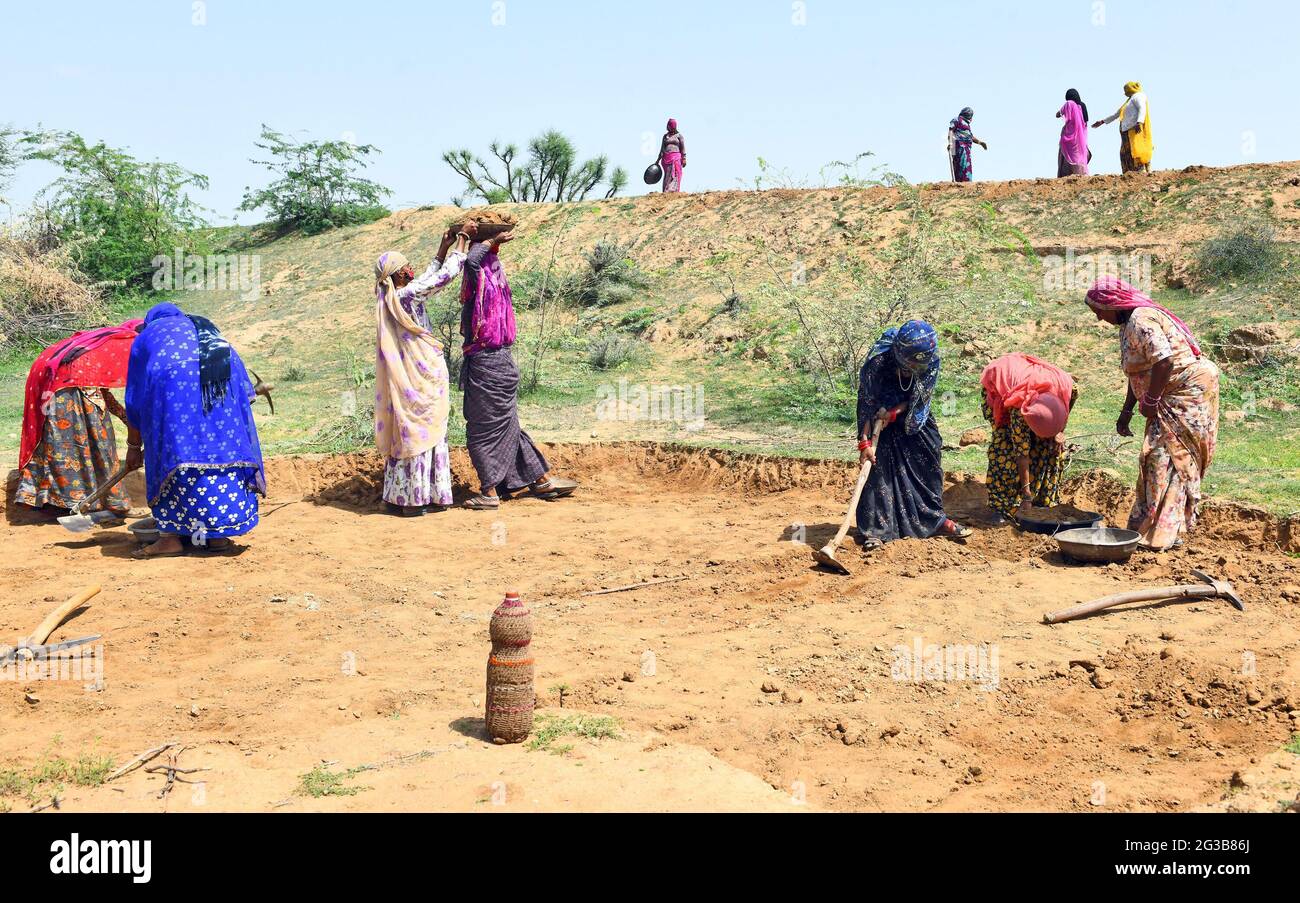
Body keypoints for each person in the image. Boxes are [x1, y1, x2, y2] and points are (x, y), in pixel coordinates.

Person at [1085, 277, 1219, 551]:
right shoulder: (1128, 324)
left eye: (1099, 310)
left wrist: (1152, 397)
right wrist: (1127, 411)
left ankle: (1162, 533)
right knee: (1157, 457)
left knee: (1166, 457)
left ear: (1113, 304)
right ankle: (1156, 526)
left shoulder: (1140, 320)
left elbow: (1165, 361)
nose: (1099, 317)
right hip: (1169, 391)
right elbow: (1138, 370)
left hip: (1185, 392)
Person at [124, 303, 267, 558]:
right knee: (220, 445)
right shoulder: (203, 326)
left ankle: (170, 540)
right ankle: (217, 537)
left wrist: (134, 447)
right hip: (220, 382)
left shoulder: (147, 337)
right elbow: (243, 387)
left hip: (171, 383)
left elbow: (135, 400)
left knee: (172, 450)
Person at [458, 230, 578, 510]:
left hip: (486, 365)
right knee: (508, 426)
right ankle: (541, 480)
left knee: (482, 431)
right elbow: (478, 261)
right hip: (505, 364)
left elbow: (472, 263)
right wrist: (493, 245)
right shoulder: (498, 285)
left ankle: (489, 493)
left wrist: (487, 242)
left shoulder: (481, 283)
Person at [373, 223, 475, 517]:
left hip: (406, 377)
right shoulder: (406, 296)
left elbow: (427, 277)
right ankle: (417, 500)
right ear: (399, 274)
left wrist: (444, 247)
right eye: (406, 264)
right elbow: (441, 279)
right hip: (421, 376)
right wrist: (464, 241)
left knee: (409, 430)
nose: (411, 266)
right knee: (425, 430)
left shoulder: (391, 296)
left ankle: (399, 498)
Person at [855, 320, 972, 549]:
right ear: (898, 353)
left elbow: (920, 398)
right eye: (907, 363)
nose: (912, 369)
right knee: (880, 471)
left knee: (928, 462)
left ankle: (934, 520)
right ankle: (877, 531)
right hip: (878, 418)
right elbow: (866, 402)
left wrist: (895, 412)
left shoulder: (930, 360)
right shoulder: (877, 361)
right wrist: (865, 443)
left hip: (911, 415)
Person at [15, 319, 143, 515]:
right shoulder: (128, 343)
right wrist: (132, 421)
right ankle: (111, 503)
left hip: (53, 392)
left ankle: (57, 501)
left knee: (58, 445)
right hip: (72, 391)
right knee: (99, 444)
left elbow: (105, 393)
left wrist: (126, 418)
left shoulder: (98, 342)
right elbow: (118, 394)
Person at [979, 353, 1077, 525]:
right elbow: (1021, 454)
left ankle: (1044, 501)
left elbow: (1066, 407)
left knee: (1052, 449)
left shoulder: (1067, 387)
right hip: (1001, 392)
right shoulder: (1019, 414)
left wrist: (1060, 431)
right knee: (1003, 450)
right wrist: (1026, 495)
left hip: (1037, 389)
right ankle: (1002, 506)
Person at [1093, 82, 1153, 173]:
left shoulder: (1138, 96)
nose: (1125, 93)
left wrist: (1139, 122)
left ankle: (1142, 170)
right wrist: (1102, 121)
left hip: (1134, 129)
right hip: (1126, 131)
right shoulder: (1129, 100)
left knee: (1137, 149)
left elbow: (1142, 108)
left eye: (1126, 90)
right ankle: (1130, 173)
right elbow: (1117, 114)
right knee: (1126, 153)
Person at [1056, 89, 1091, 177]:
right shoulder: (1082, 105)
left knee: (1067, 153)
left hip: (1069, 135)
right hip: (1081, 137)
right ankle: (1081, 173)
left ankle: (1066, 175)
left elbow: (1058, 114)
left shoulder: (1069, 104)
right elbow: (1086, 121)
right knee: (1079, 155)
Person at [947, 108, 987, 183]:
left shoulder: (967, 125)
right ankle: (960, 182)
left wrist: (980, 143)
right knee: (960, 165)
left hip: (967, 149)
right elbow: (951, 130)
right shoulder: (957, 120)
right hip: (959, 147)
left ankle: (967, 184)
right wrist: (950, 142)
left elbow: (970, 136)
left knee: (966, 167)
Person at [657, 119, 686, 193]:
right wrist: (657, 160)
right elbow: (662, 149)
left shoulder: (679, 136)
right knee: (667, 175)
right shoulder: (665, 136)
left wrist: (684, 158)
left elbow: (683, 148)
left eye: (670, 125)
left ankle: (674, 191)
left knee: (675, 174)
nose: (668, 127)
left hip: (676, 158)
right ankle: (666, 192)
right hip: (666, 159)